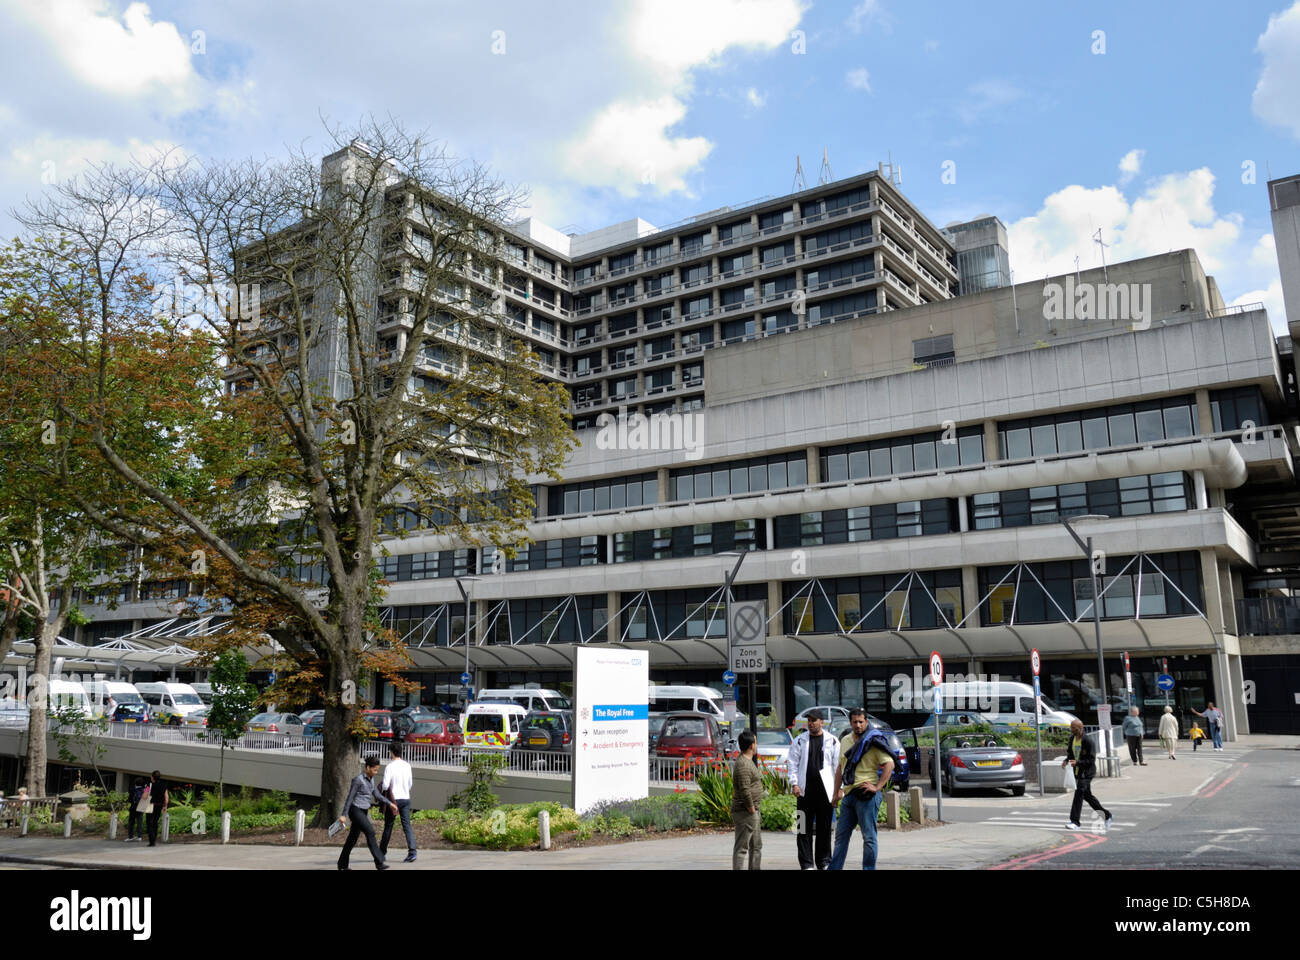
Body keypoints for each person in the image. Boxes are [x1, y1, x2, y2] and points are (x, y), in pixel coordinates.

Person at [829, 708, 894, 871]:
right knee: (841, 837)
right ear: (850, 723)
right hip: (849, 794)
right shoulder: (845, 740)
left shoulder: (874, 740)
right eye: (854, 722)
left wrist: (878, 786)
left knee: (869, 838)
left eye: (861, 721)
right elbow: (840, 768)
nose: (857, 725)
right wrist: (836, 792)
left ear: (866, 722)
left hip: (867, 795)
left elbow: (889, 763)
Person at [786, 709, 840, 870]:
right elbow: (792, 763)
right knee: (802, 829)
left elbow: (838, 766)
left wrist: (839, 789)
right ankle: (806, 864)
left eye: (814, 720)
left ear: (822, 722)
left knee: (824, 829)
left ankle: (824, 862)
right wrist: (794, 783)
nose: (811, 723)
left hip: (825, 793)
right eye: (809, 720)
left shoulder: (833, 741)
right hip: (804, 793)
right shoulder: (799, 741)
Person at [337, 755, 397, 871]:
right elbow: (350, 798)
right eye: (374, 770)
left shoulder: (371, 780)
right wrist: (343, 814)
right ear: (368, 768)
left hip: (363, 811)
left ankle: (342, 865)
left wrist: (390, 804)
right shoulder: (358, 780)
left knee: (352, 839)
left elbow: (377, 795)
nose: (376, 772)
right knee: (370, 832)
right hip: (355, 810)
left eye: (377, 770)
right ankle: (379, 862)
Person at [1062, 719, 1112, 831]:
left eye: (1073, 728)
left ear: (1080, 728)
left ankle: (1075, 822)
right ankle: (1107, 815)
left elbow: (1091, 760)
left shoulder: (1088, 741)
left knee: (1079, 793)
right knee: (1087, 796)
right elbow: (1070, 754)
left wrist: (1078, 763)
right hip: (1078, 772)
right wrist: (1066, 760)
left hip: (1087, 772)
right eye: (1071, 727)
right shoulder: (1072, 739)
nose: (1071, 730)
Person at [730, 730, 763, 870]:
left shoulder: (747, 761)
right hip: (746, 811)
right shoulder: (743, 764)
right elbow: (744, 789)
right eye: (755, 742)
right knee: (742, 848)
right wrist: (751, 808)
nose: (756, 745)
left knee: (756, 846)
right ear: (751, 745)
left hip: (752, 810)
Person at [380, 742, 417, 862]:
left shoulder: (390, 767)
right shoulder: (407, 765)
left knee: (388, 826)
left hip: (393, 800)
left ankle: (382, 852)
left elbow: (385, 785)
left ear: (391, 752)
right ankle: (412, 852)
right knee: (407, 826)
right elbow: (410, 784)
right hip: (405, 798)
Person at [144, 770, 169, 847]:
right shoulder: (163, 785)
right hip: (159, 805)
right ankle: (154, 839)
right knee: (155, 822)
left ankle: (152, 841)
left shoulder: (149, 785)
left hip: (150, 805)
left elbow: (144, 796)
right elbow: (166, 797)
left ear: (152, 777)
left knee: (149, 823)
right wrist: (165, 806)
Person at [125, 778, 146, 842]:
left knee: (131, 822)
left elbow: (129, 800)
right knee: (139, 822)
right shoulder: (144, 791)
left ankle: (130, 836)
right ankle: (139, 836)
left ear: (135, 783)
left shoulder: (133, 790)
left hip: (133, 808)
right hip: (140, 808)